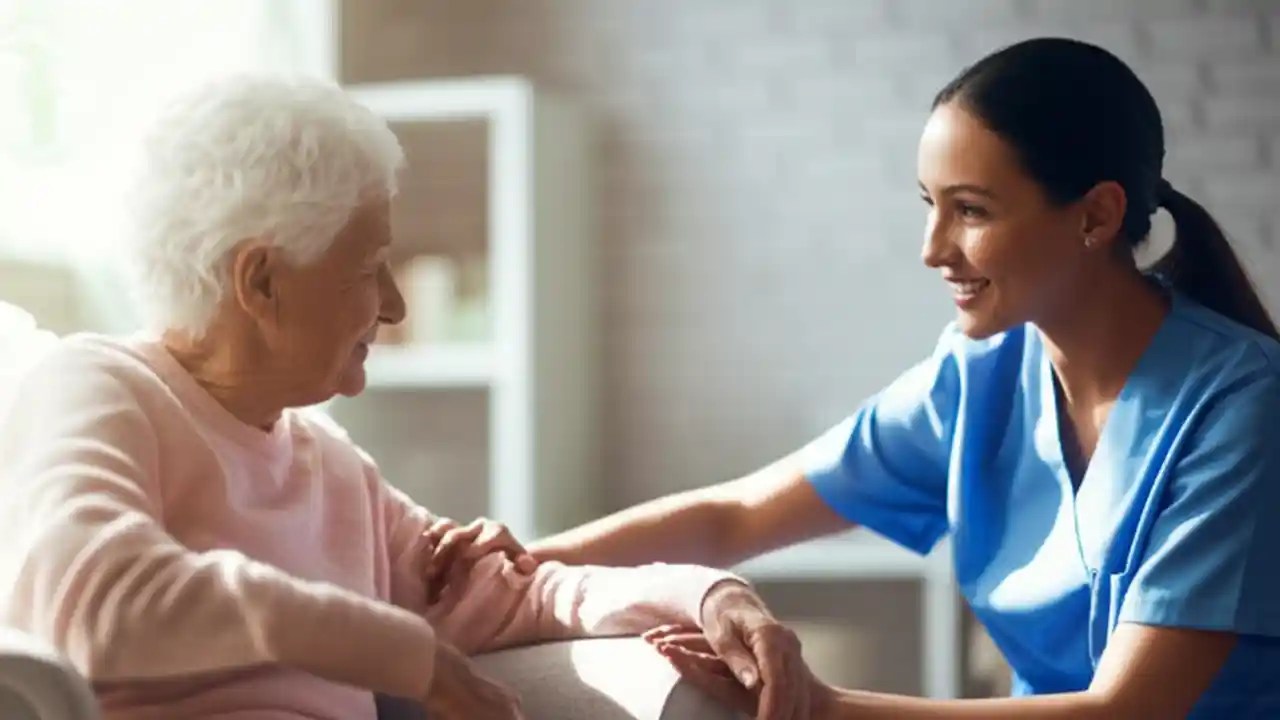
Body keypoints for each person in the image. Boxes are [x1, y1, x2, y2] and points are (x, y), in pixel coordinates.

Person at [0, 76, 806, 720]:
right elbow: (99, 597)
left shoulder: (331, 462)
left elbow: (513, 594)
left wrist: (707, 595)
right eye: (367, 268)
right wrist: (406, 657)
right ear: (261, 281)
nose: (394, 305)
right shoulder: (101, 387)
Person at [532, 37, 1280, 719]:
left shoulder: (1240, 403)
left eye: (971, 211)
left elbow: (1126, 712)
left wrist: (816, 707)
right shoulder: (980, 376)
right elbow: (735, 516)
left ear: (1096, 216)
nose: (933, 249)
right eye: (931, 205)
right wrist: (504, 565)